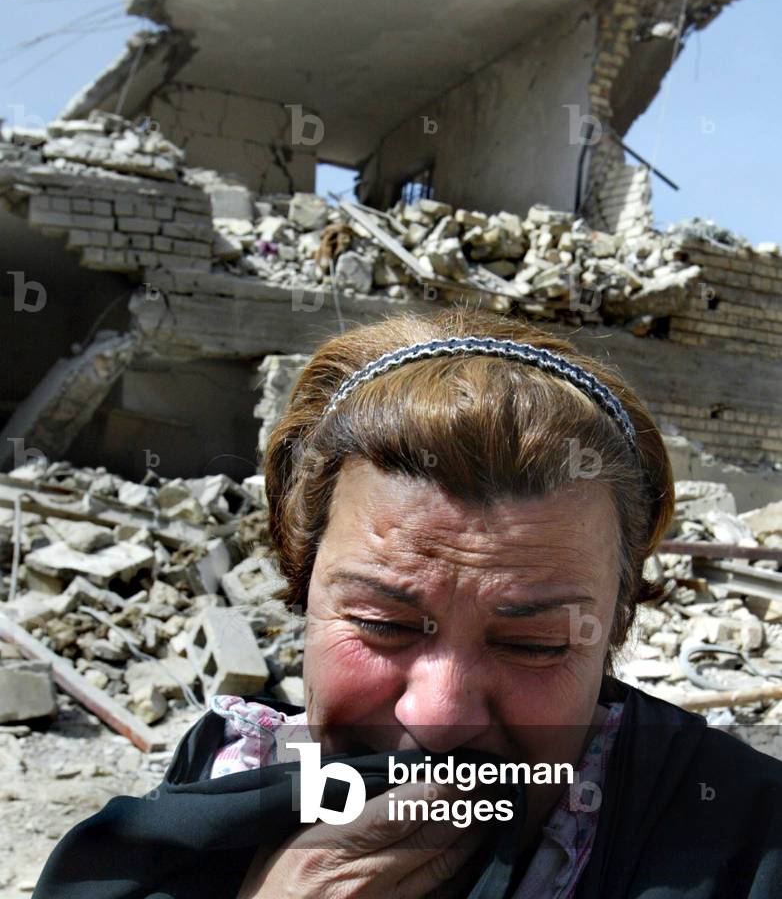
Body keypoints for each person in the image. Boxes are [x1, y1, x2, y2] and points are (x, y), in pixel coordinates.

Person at [33, 306, 782, 899]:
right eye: (382, 625)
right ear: (301, 584)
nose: (438, 717)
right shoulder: (214, 800)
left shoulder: (744, 844)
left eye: (534, 644)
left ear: (615, 627)